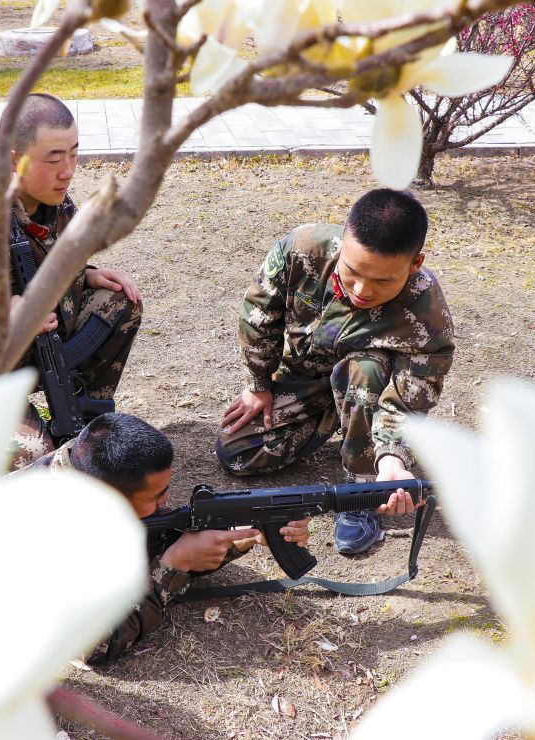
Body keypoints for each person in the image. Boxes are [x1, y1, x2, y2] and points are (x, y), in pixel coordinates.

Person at [216, 188, 454, 556]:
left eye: (382, 281)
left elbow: (410, 395)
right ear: (342, 241)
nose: (362, 289)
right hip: (307, 380)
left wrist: (390, 458)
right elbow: (259, 313)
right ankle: (339, 421)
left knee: (364, 368)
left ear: (415, 263)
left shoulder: (425, 310)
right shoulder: (303, 248)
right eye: (354, 271)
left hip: (366, 384)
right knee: (239, 453)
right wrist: (259, 384)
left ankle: (359, 489)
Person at [0, 93, 142, 469]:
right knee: (34, 454)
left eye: (74, 153)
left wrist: (83, 277)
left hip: (29, 352)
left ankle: (84, 419)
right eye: (53, 159)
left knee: (119, 302)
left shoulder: (57, 205)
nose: (68, 170)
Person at [28, 412, 316, 663]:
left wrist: (243, 535)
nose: (166, 501)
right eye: (156, 496)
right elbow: (99, 645)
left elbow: (154, 540)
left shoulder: (89, 466)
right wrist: (174, 565)